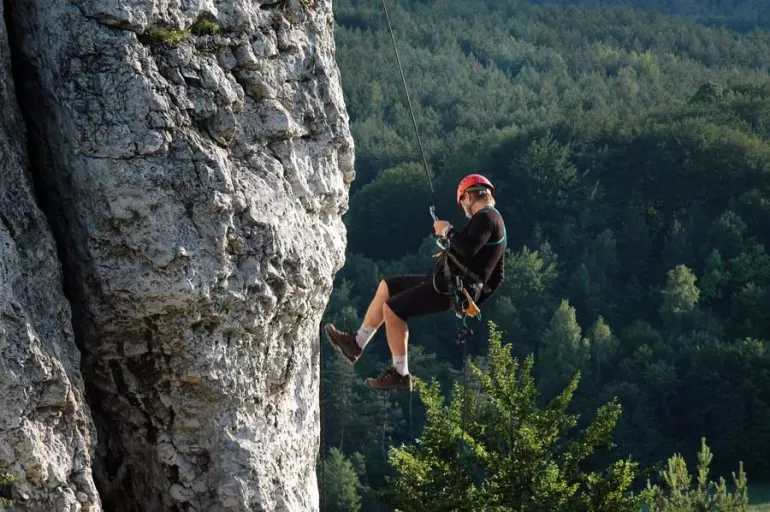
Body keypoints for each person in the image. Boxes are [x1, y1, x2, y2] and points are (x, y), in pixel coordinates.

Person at [324, 174, 507, 391]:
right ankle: (356, 343)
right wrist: (476, 301)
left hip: (451, 287)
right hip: (449, 284)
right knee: (388, 287)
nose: (464, 209)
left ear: (468, 196)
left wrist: (448, 231)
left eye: (463, 203)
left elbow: (467, 250)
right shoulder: (493, 221)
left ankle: (400, 373)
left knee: (393, 310)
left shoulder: (486, 218)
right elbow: (498, 275)